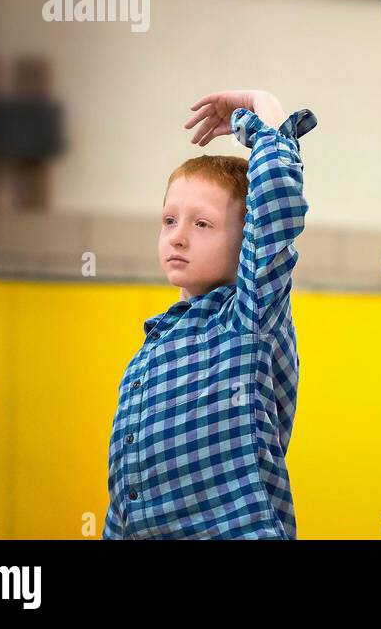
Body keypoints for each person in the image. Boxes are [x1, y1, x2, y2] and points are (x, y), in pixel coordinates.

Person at [103, 89, 314, 539]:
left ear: (246, 241)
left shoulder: (249, 319)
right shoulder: (146, 360)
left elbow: (275, 202)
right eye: (169, 220)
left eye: (202, 224)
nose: (178, 237)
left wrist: (262, 109)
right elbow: (124, 501)